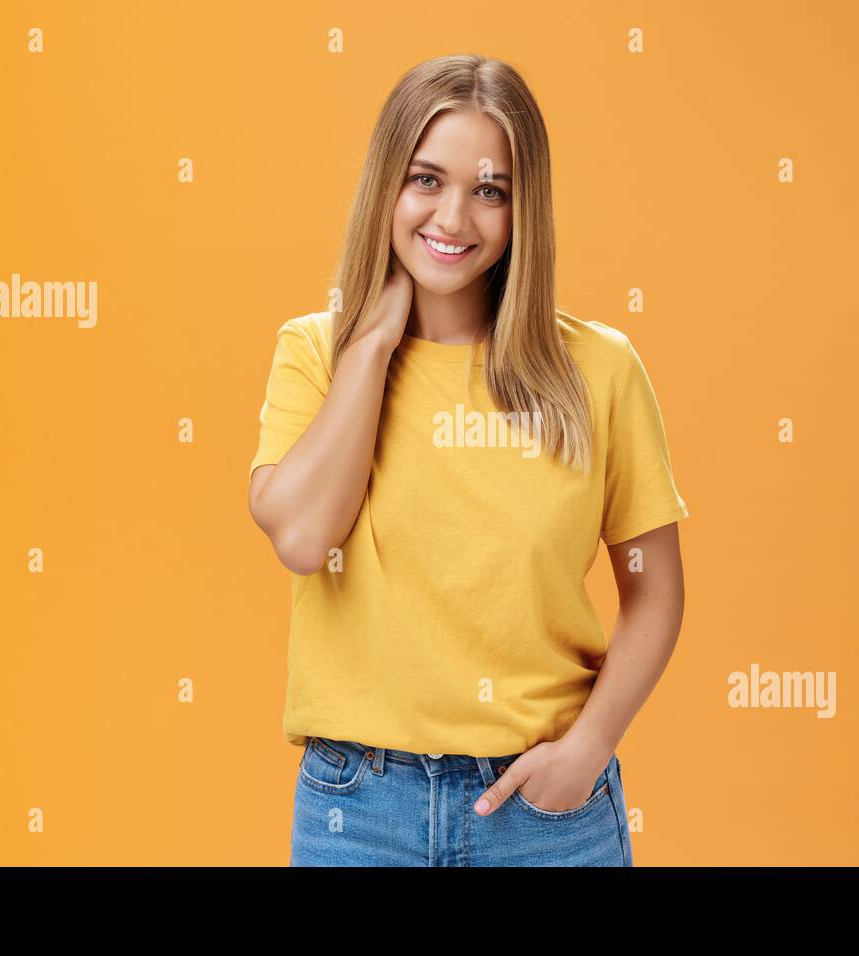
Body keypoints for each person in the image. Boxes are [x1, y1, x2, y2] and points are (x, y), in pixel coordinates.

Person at [247, 54, 688, 866]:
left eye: (490, 190)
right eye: (426, 180)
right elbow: (305, 540)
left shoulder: (600, 370)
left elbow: (654, 589)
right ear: (386, 184)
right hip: (360, 813)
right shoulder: (318, 353)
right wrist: (374, 345)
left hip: (545, 816)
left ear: (524, 210)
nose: (454, 217)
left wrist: (588, 750)